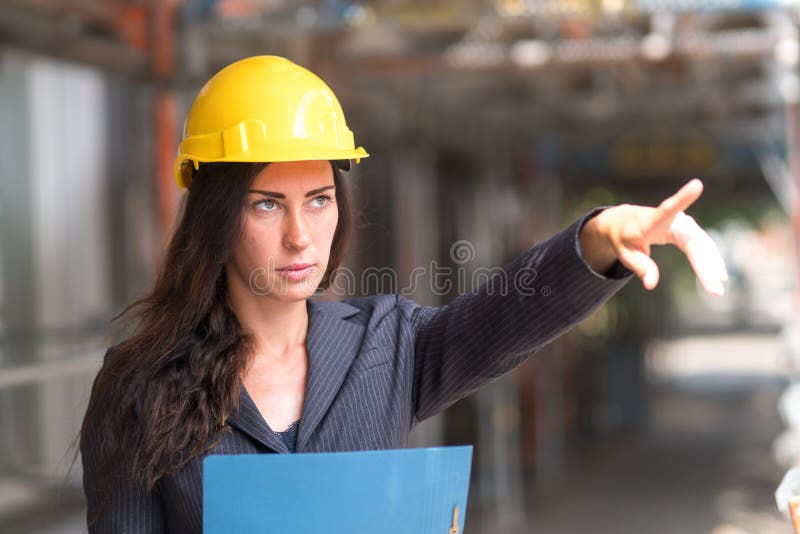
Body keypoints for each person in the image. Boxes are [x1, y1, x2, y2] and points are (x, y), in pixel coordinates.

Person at [79, 55, 728, 533]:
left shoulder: (385, 346)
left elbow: (505, 315)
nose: (301, 236)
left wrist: (597, 238)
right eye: (267, 205)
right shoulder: (140, 387)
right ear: (217, 215)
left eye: (320, 200)